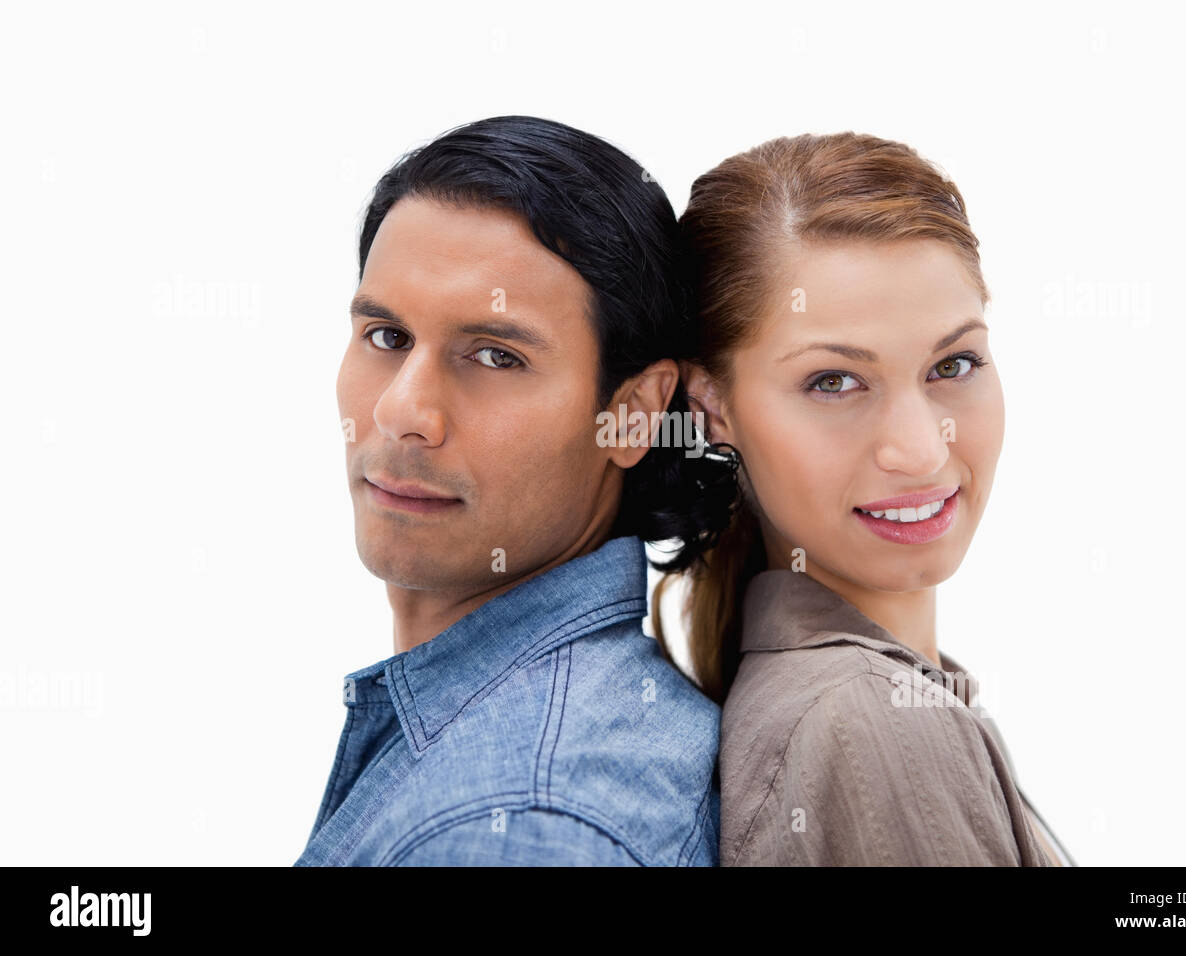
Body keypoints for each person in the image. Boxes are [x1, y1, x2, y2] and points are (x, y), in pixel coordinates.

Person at [295, 116, 721, 866]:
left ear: (632, 414)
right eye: (387, 337)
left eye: (494, 355)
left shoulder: (524, 826)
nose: (402, 413)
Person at [651, 132, 1076, 866]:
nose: (919, 449)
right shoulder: (874, 720)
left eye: (955, 362)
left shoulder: (885, 700)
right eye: (833, 382)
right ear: (712, 408)